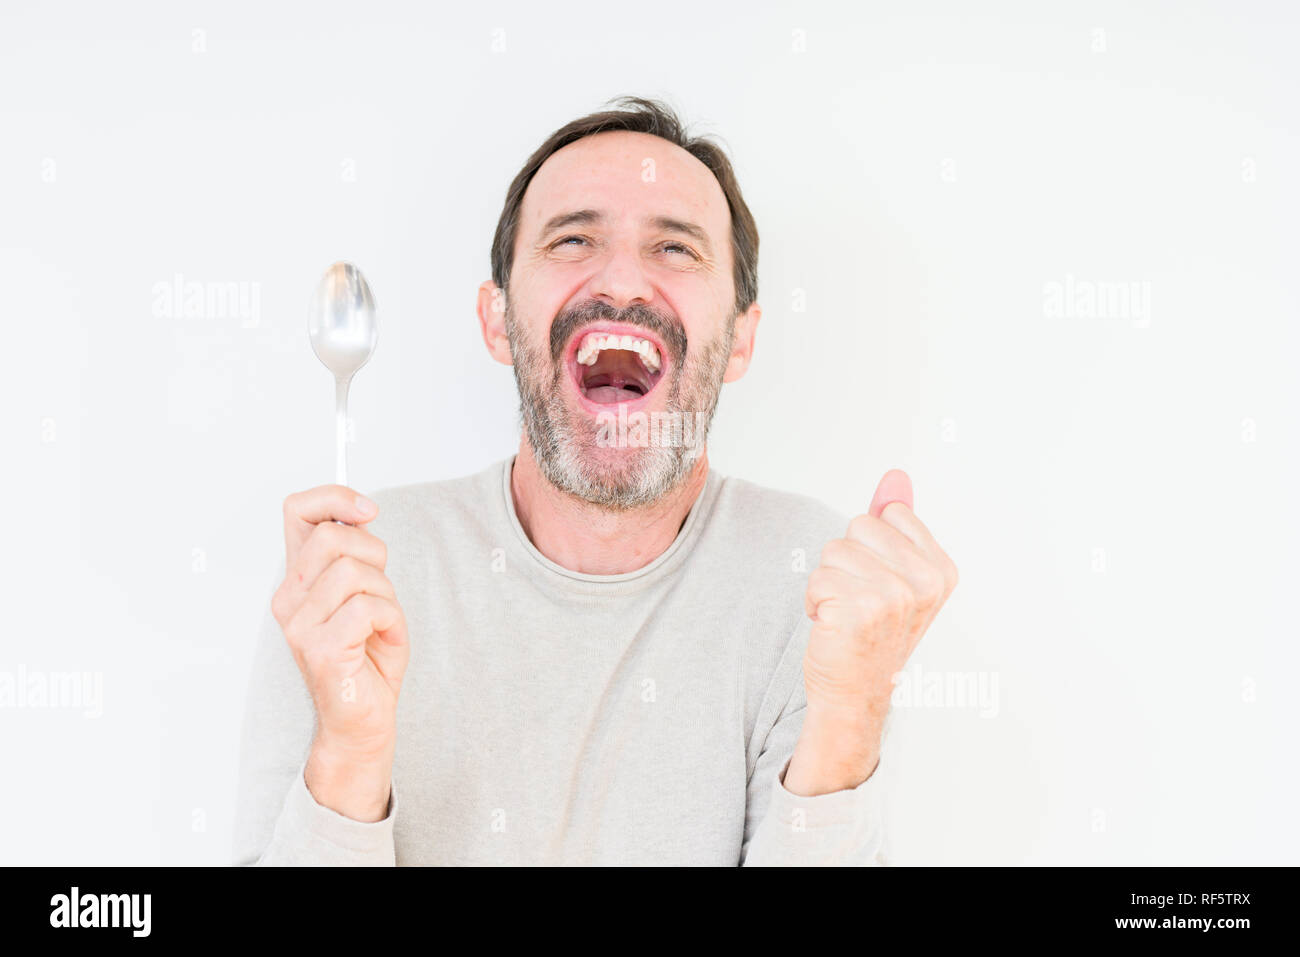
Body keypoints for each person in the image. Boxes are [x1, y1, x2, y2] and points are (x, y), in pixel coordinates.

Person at [234, 96, 957, 866]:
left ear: (741, 338)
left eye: (676, 249)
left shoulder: (813, 583)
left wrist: (849, 720)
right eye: (573, 238)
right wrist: (350, 751)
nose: (624, 280)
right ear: (498, 319)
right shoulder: (353, 579)